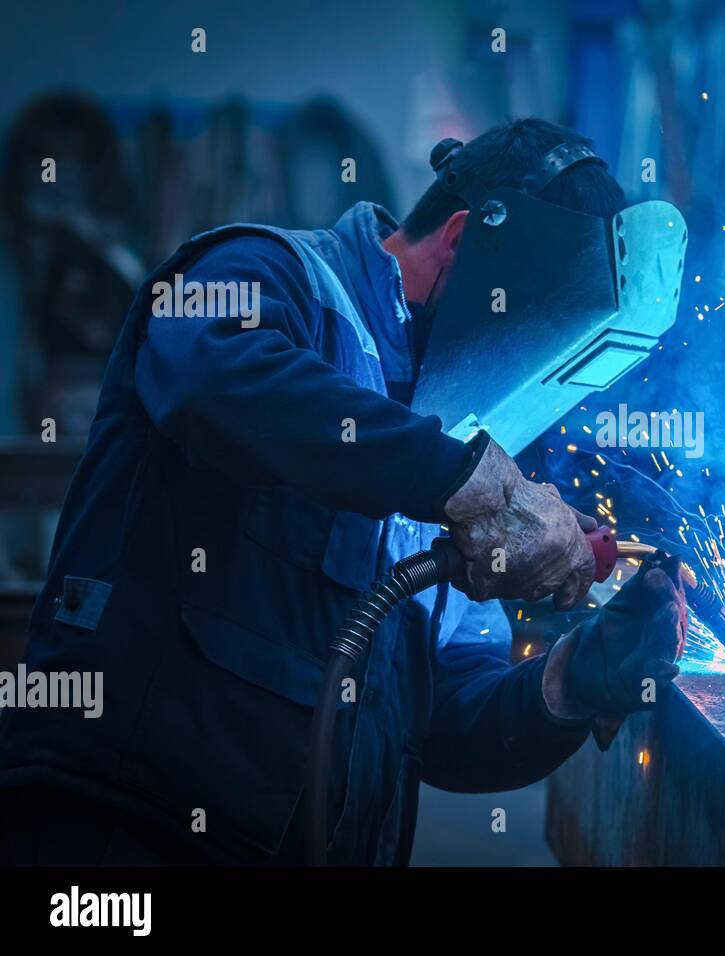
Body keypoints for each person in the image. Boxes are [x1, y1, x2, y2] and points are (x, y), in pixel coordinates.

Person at [0, 119, 686, 866]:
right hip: (122, 839)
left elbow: (441, 721)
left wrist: (570, 681)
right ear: (463, 241)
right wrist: (464, 482)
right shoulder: (268, 272)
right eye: (529, 333)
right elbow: (211, 378)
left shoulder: (449, 426)